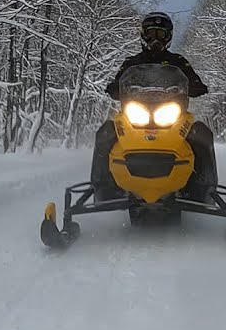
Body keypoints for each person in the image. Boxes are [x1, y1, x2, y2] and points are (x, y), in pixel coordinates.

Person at [91, 12, 218, 202]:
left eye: (160, 34)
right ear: (143, 35)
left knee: (200, 134)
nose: (155, 40)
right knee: (106, 132)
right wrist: (114, 88)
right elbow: (119, 82)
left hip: (172, 112)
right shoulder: (132, 63)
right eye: (151, 34)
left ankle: (202, 188)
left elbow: (194, 81)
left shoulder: (178, 62)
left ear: (168, 37)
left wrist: (197, 87)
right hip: (135, 111)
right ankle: (103, 187)